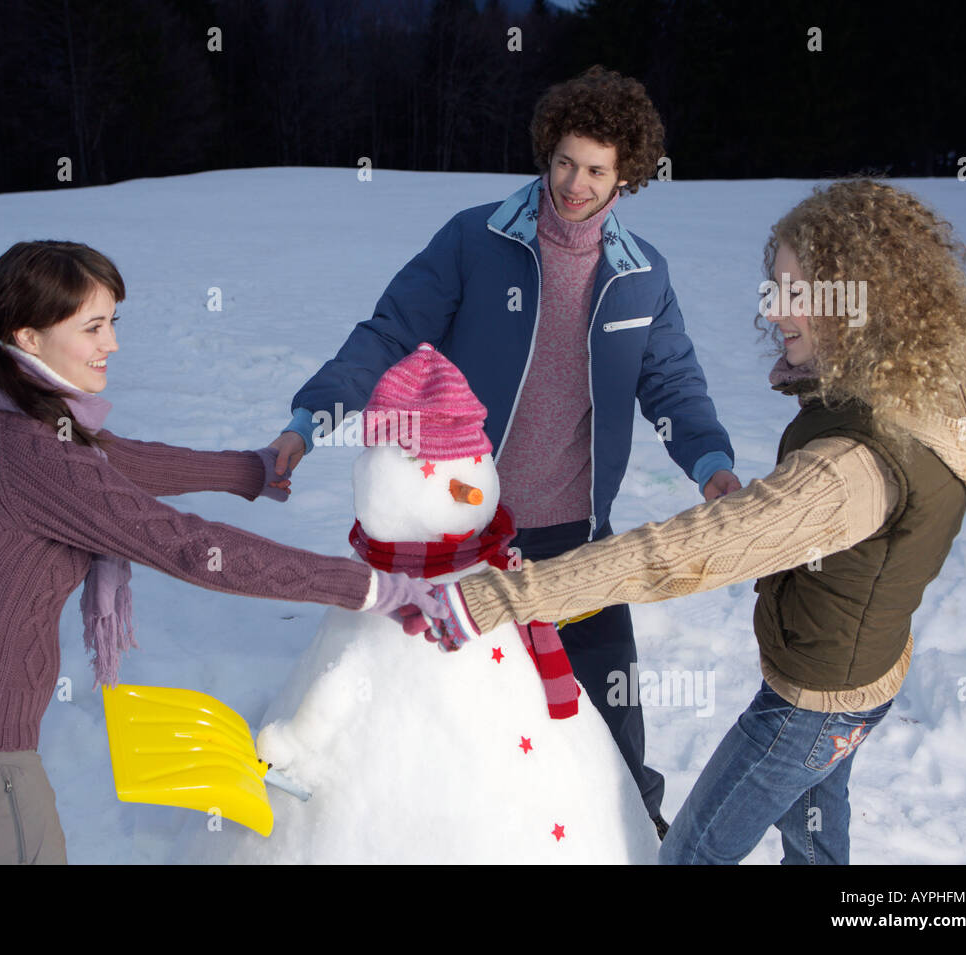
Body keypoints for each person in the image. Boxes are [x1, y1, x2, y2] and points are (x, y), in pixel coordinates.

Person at [425, 178, 966, 864]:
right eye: (775, 287)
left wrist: (498, 597)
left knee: (690, 854)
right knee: (815, 842)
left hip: (806, 709)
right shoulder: (928, 383)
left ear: (864, 305)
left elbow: (674, 554)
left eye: (800, 295)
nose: (776, 310)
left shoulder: (848, 471)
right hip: (864, 675)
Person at [266, 66, 739, 835]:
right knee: (452, 723)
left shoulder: (641, 276)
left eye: (595, 170)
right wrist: (311, 419)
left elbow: (674, 386)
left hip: (575, 539)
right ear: (545, 151)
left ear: (628, 176)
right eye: (563, 161)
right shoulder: (474, 240)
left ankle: (637, 835)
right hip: (466, 533)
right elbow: (388, 333)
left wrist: (712, 465)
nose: (574, 184)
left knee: (614, 710)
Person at [0, 240, 439, 864]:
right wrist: (368, 587)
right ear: (29, 338)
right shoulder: (31, 451)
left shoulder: (10, 411)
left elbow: (114, 461)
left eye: (112, 322)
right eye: (93, 327)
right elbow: (189, 548)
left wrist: (247, 470)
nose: (111, 343)